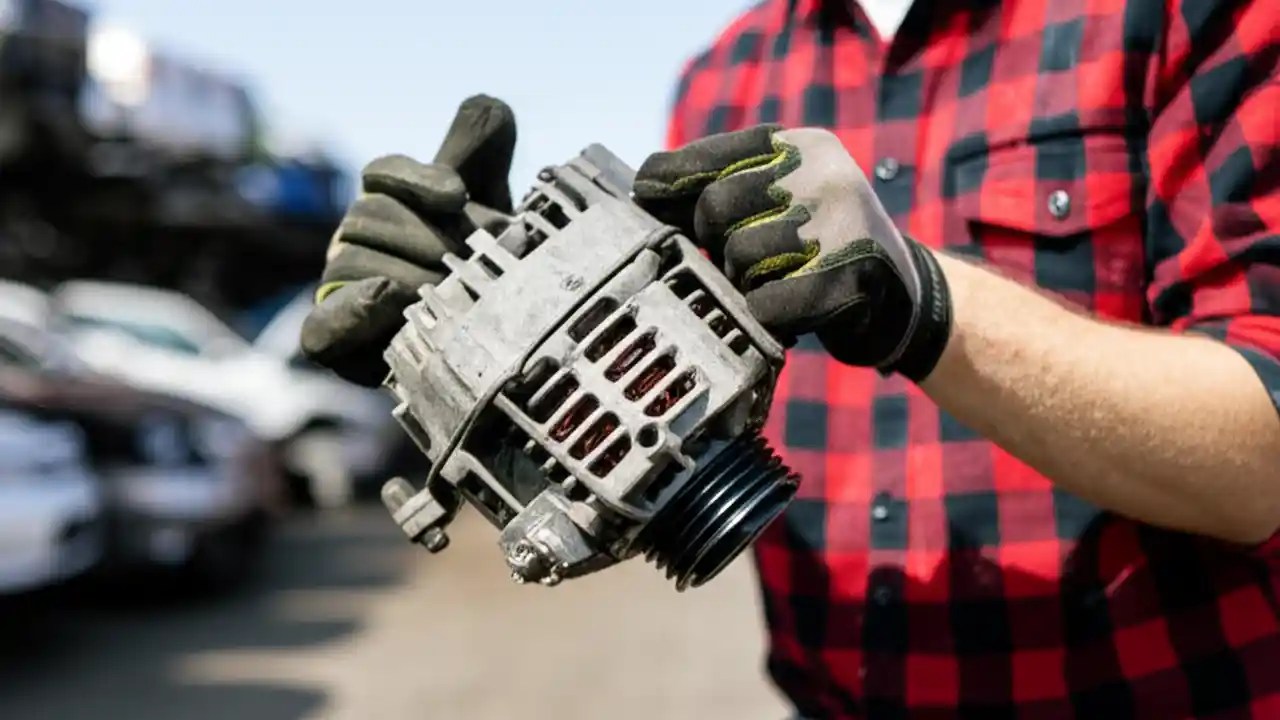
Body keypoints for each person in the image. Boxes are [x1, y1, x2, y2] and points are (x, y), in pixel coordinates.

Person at [299, 1, 1280, 716]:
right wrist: (477, 335)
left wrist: (927, 305)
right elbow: (655, 443)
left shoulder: (1181, 17)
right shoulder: (724, 74)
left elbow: (1264, 460)